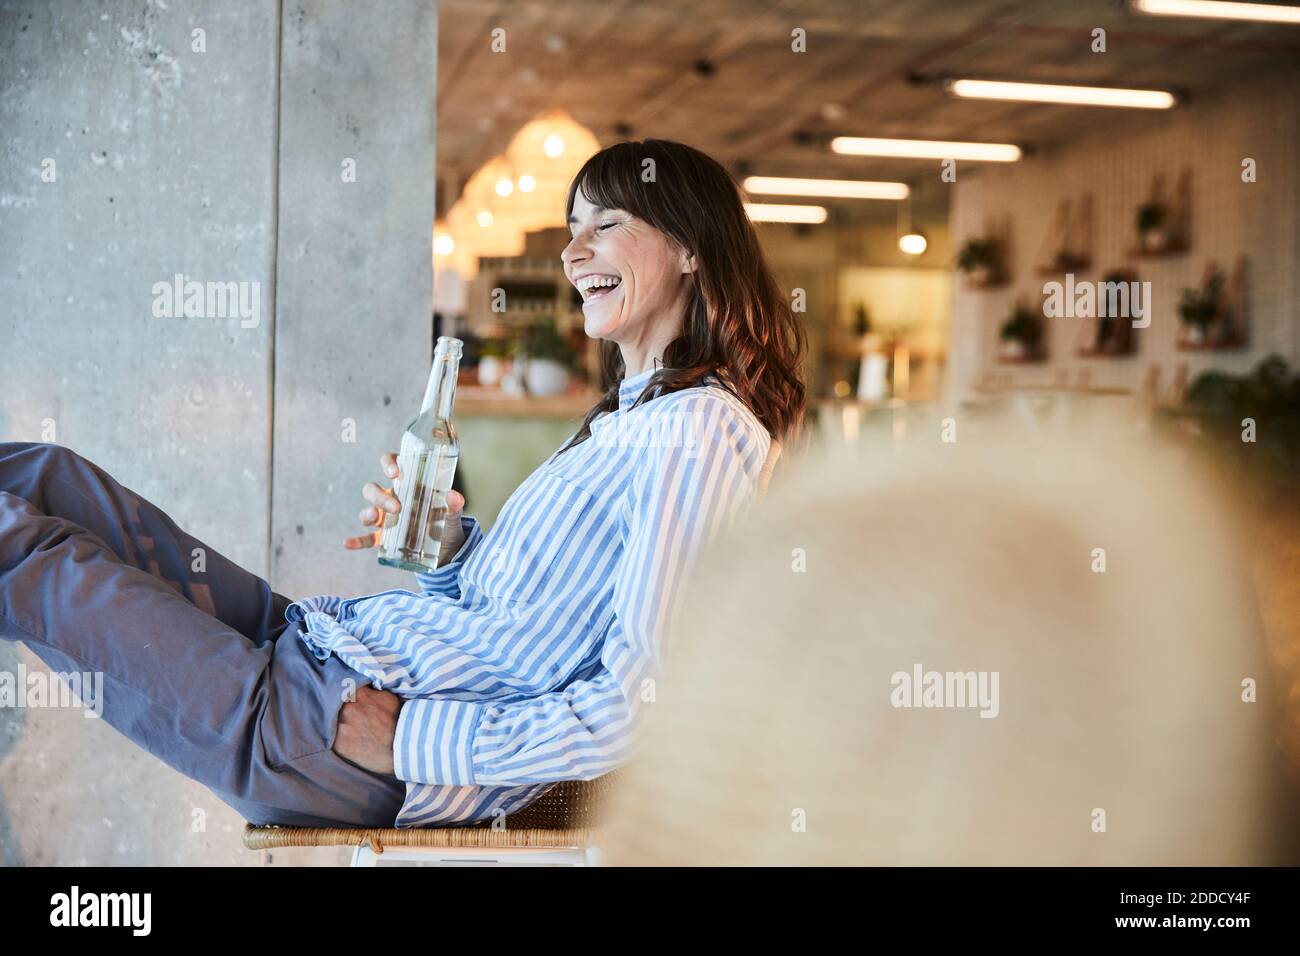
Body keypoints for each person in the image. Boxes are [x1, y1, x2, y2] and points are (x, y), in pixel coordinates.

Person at [0, 139, 806, 829]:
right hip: (322, 647)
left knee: (26, 557)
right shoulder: (631, 417)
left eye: (608, 225)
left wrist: (413, 741)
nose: (571, 254)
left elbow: (644, 699)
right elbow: (519, 625)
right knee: (48, 475)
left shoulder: (702, 430)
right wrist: (451, 545)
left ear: (693, 247)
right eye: (571, 229)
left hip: (339, 734)